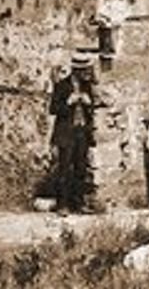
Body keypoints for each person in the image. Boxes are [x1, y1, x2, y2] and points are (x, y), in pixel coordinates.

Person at [49, 53, 95, 212]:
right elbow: (53, 109)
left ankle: (79, 203)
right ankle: (62, 205)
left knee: (81, 168)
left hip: (81, 132)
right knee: (64, 168)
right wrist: (69, 102)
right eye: (83, 70)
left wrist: (89, 104)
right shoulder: (62, 85)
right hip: (66, 133)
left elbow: (91, 108)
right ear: (76, 70)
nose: (86, 73)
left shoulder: (87, 86)